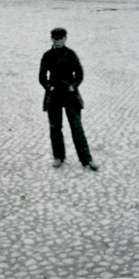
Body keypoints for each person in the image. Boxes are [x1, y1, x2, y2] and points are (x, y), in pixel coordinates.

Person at [39, 27, 98, 171]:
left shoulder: (71, 54)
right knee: (55, 127)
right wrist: (49, 88)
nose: (58, 41)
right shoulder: (47, 55)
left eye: (60, 39)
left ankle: (86, 159)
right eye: (55, 39)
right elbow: (42, 77)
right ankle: (58, 156)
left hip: (70, 95)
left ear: (65, 39)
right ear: (52, 39)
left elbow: (80, 74)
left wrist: (73, 86)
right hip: (54, 95)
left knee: (76, 127)